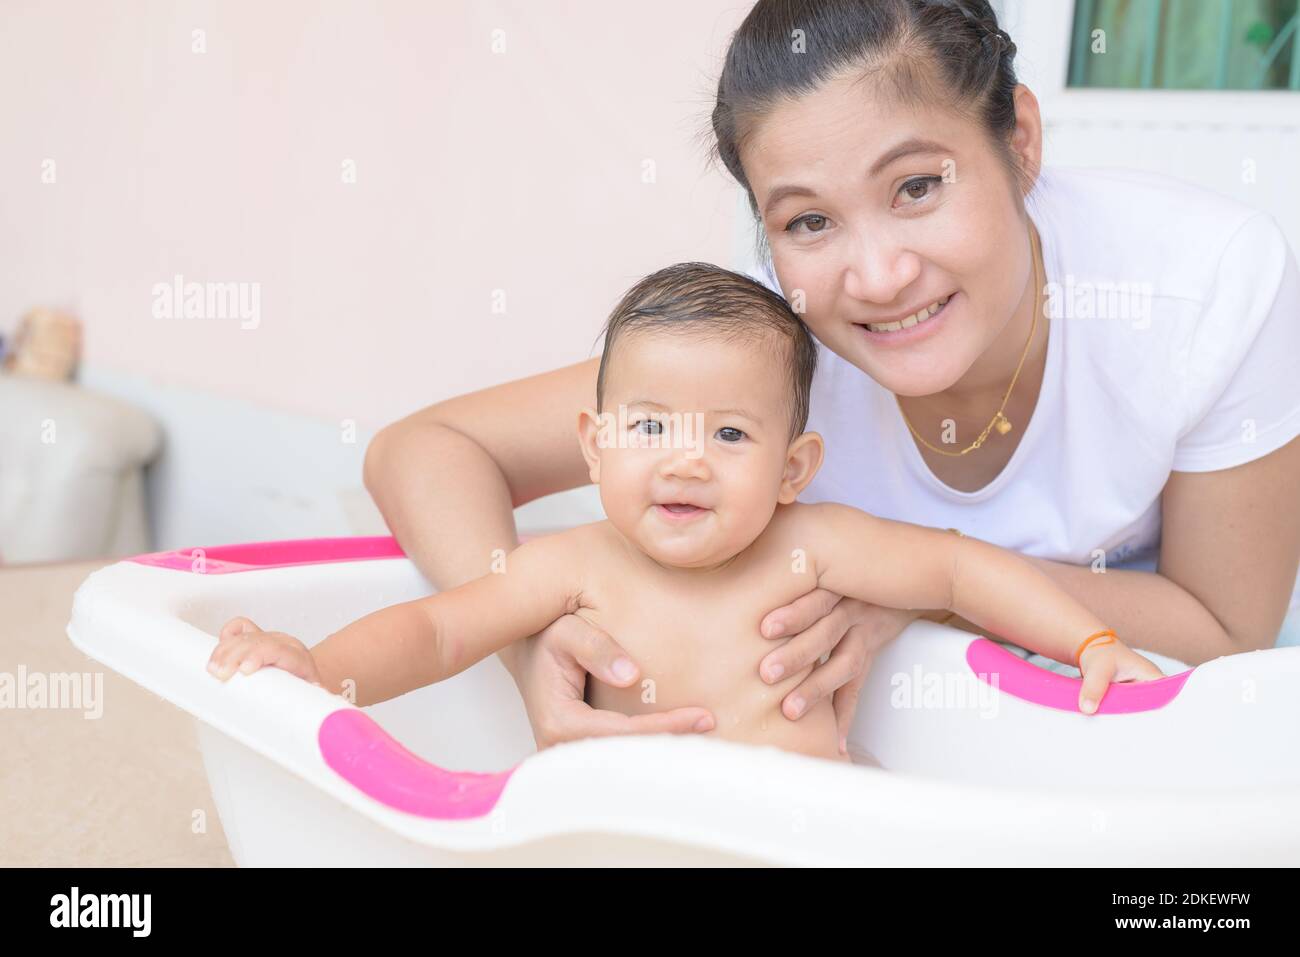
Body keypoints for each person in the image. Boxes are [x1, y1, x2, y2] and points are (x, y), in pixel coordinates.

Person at [362, 0, 1300, 752]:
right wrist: (533, 649)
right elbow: (425, 448)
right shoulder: (772, 362)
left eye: (918, 186)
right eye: (808, 221)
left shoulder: (1201, 287)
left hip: (1114, 734)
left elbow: (1223, 629)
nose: (879, 277)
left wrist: (921, 586)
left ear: (1019, 139)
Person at [206, 262, 1162, 763]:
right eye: (651, 423)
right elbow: (436, 630)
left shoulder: (816, 548)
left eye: (732, 437)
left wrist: (1091, 642)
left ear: (795, 468)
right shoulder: (571, 570)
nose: (688, 459)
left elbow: (961, 567)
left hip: (792, 839)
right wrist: (319, 669)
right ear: (594, 443)